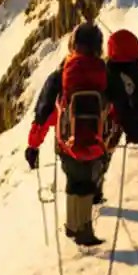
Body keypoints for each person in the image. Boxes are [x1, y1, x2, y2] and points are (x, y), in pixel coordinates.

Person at [25, 22, 111, 246]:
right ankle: (81, 231)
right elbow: (113, 106)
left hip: (67, 143)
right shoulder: (104, 73)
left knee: (75, 181)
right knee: (86, 183)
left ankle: (76, 228)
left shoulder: (61, 75)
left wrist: (33, 146)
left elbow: (43, 113)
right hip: (96, 140)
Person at [97, 29, 138, 204]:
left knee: (98, 154)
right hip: (125, 124)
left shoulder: (106, 70)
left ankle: (93, 188)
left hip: (107, 120)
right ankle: (97, 187)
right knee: (105, 154)